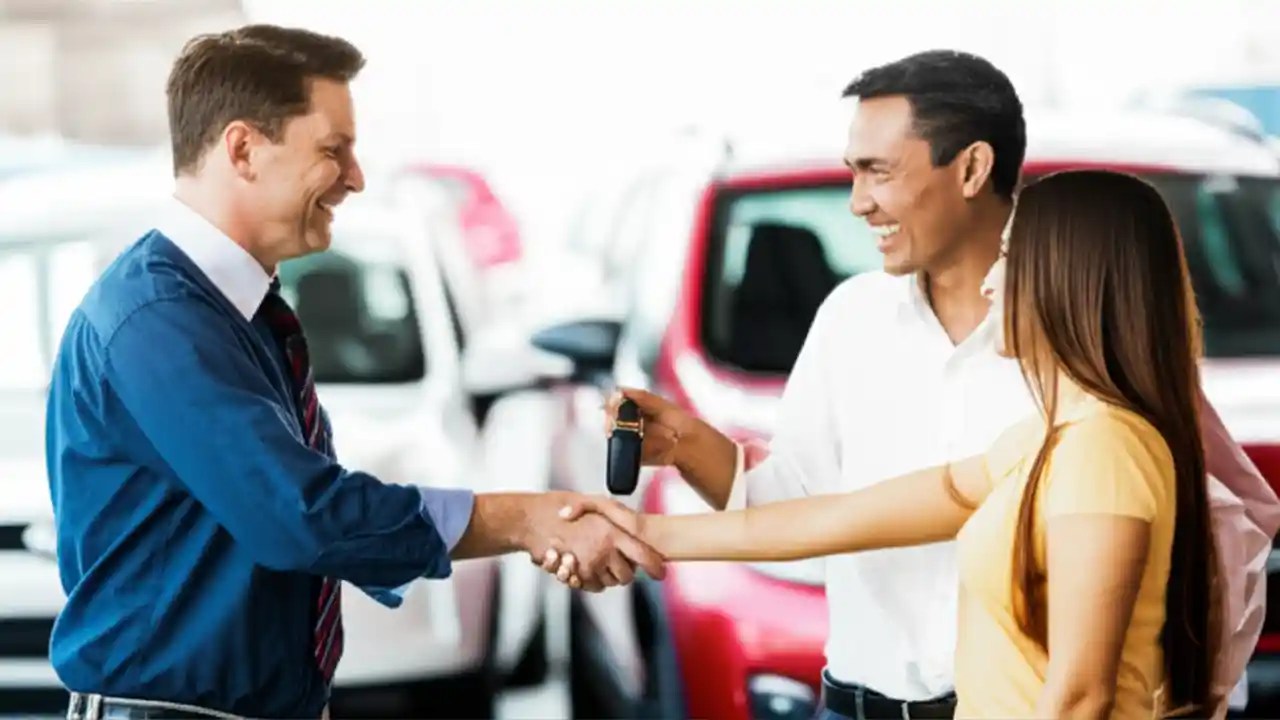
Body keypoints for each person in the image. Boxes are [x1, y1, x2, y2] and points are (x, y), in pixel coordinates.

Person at [541, 50, 1280, 719]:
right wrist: (647, 524)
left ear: (971, 168)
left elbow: (1104, 668)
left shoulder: (1103, 427)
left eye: (879, 170)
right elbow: (829, 517)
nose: (858, 199)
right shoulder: (1015, 429)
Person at [44, 24, 661, 720]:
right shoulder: (159, 319)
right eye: (333, 151)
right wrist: (523, 520)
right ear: (242, 149)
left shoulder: (233, 312)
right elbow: (299, 514)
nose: (356, 177)